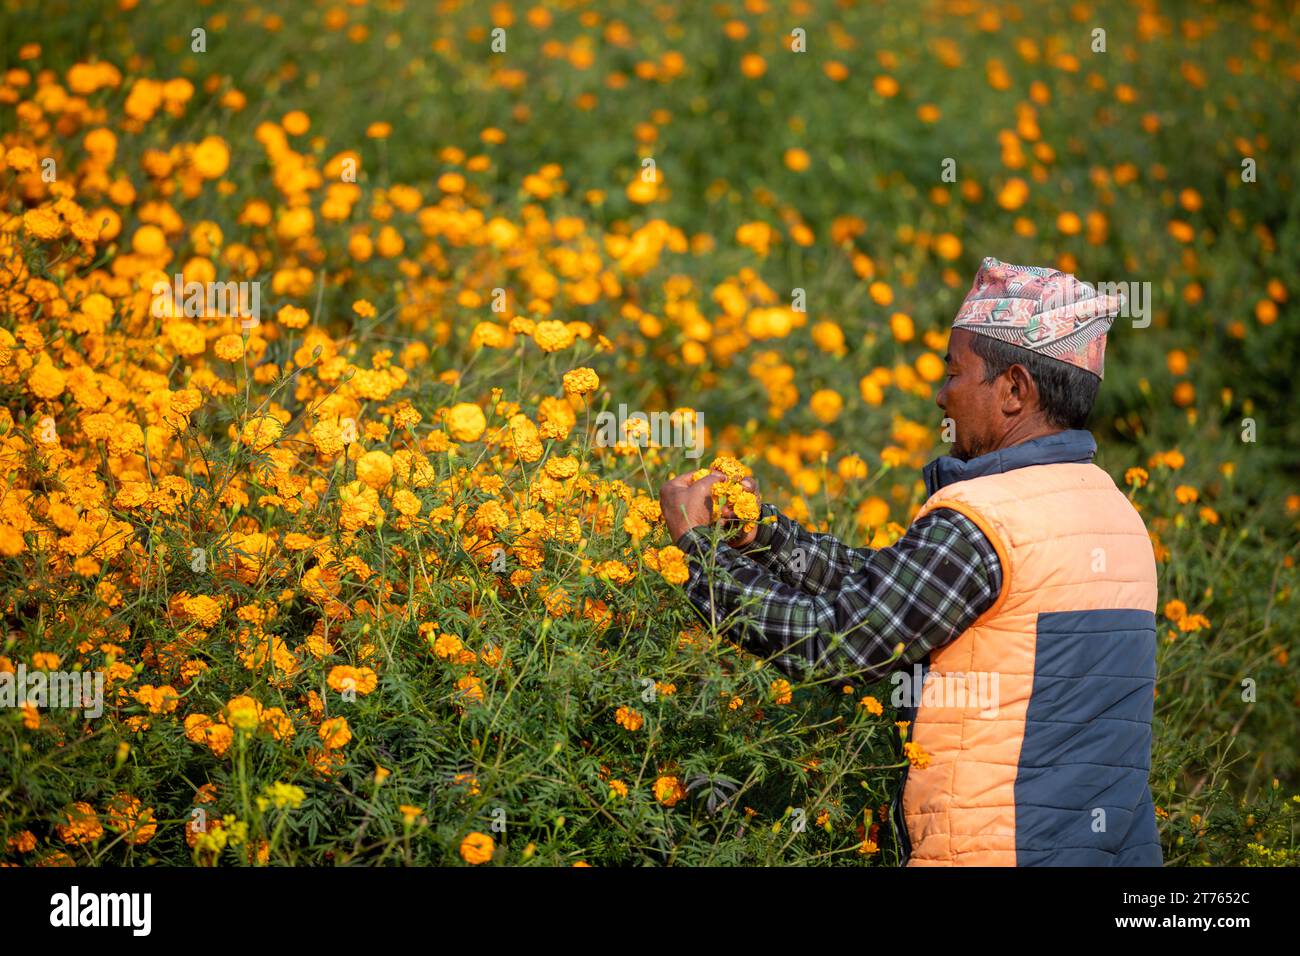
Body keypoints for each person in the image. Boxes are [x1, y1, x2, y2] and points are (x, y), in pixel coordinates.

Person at [658, 257, 1162, 866]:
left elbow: (836, 643)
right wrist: (762, 535)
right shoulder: (1115, 516)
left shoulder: (990, 519)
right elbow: (892, 592)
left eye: (954, 373)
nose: (941, 395)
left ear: (1014, 389)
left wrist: (698, 553)